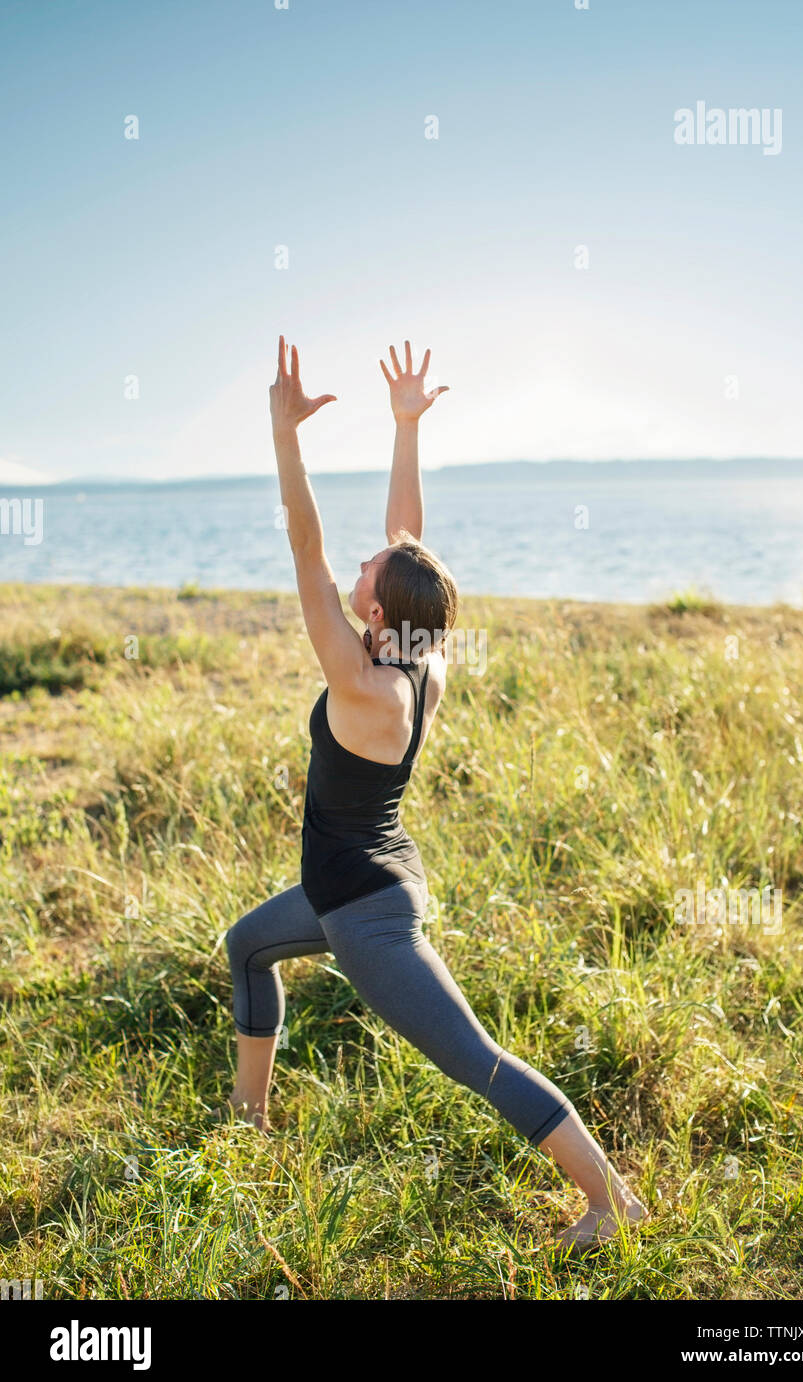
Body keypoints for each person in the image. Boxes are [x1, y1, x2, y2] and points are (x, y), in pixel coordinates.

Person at [220, 336, 649, 1253]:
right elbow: (408, 543)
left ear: (374, 611)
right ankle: (247, 1119)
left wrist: (282, 436)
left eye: (369, 571)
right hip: (368, 876)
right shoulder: (418, 658)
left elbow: (305, 542)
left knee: (476, 1062)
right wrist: (405, 428)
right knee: (247, 946)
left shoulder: (361, 681)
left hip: (367, 916)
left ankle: (613, 1201)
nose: (365, 562)